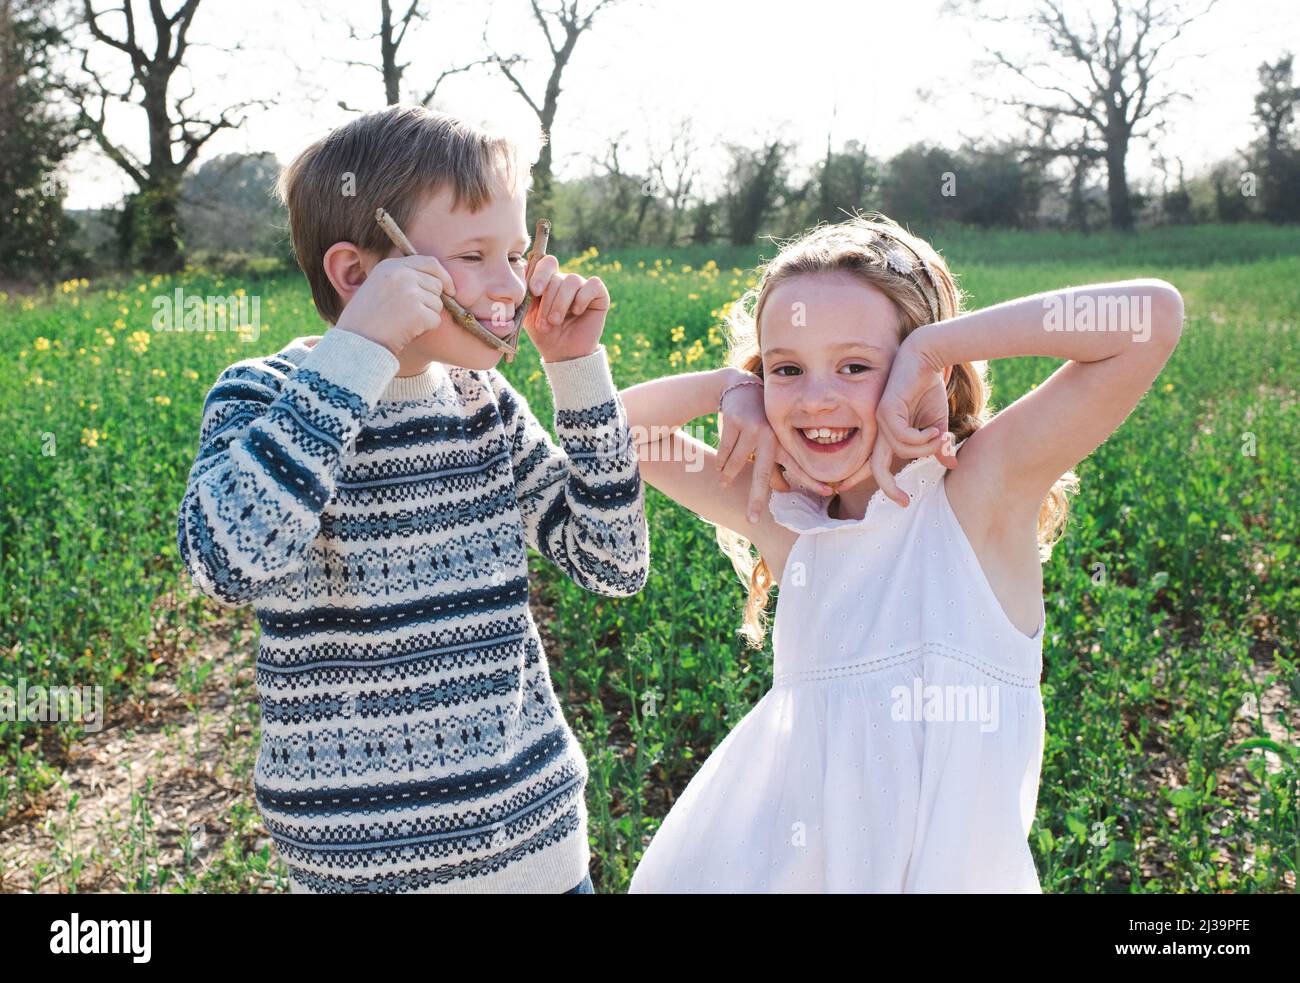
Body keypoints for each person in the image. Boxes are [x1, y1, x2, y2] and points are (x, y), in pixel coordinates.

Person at [619, 213, 1182, 891]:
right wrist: (732, 388)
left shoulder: (977, 497)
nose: (818, 397)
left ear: (922, 376)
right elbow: (607, 437)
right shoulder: (788, 523)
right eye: (787, 368)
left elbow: (1151, 317)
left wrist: (936, 347)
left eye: (857, 365)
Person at [176, 105, 648, 893]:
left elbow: (614, 563)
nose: (510, 284)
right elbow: (224, 563)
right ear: (359, 274)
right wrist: (356, 354)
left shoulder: (481, 399)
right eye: (474, 255)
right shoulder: (269, 396)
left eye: (516, 253)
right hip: (363, 873)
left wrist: (578, 371)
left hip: (539, 852)